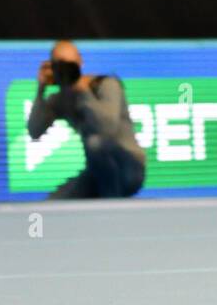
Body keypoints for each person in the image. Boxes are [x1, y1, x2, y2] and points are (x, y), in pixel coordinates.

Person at [28, 40, 146, 199]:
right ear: (53, 69)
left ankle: (113, 208)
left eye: (70, 66)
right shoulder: (61, 98)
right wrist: (40, 89)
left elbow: (108, 129)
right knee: (54, 204)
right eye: (60, 66)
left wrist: (83, 91)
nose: (66, 71)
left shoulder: (105, 84)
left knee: (95, 142)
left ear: (80, 63)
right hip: (98, 171)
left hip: (129, 167)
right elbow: (34, 131)